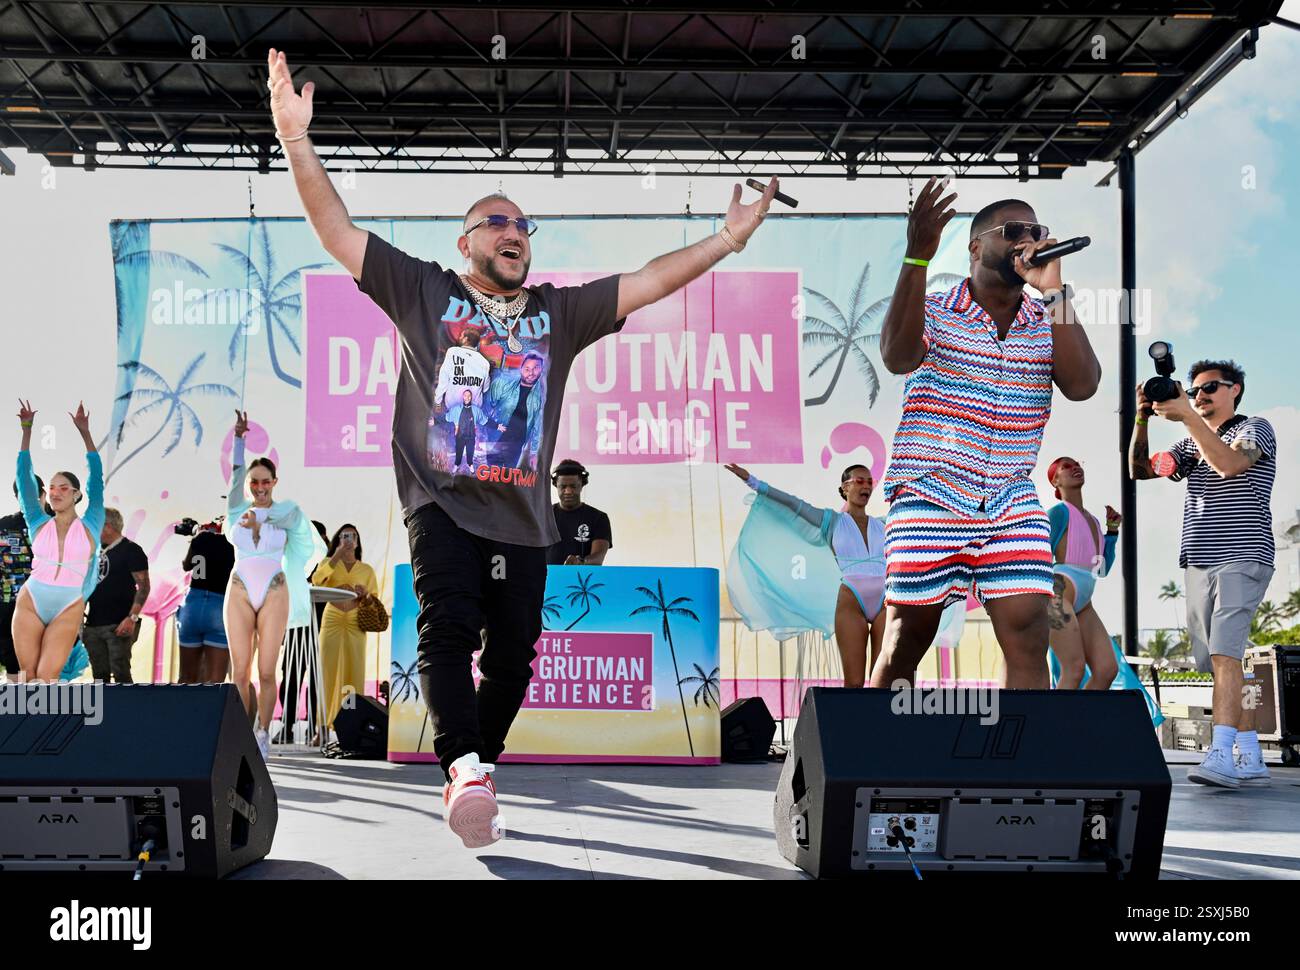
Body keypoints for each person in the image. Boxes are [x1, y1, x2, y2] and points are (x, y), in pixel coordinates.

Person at [268, 45, 778, 848]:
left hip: (524, 521)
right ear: (468, 241)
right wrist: (296, 139)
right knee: (444, 626)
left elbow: (648, 279)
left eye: (523, 224)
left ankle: (481, 763)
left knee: (513, 663)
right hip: (441, 503)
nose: (515, 232)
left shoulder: (559, 313)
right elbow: (337, 231)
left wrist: (727, 241)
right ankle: (463, 768)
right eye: (497, 222)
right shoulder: (424, 288)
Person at [873, 182, 1101, 690]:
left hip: (1010, 498)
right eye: (1013, 230)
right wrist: (916, 257)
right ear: (975, 247)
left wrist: (1055, 292)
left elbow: (1084, 385)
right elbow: (896, 357)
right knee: (909, 632)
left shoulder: (1047, 320)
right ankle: (876, 757)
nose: (1028, 239)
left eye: (1036, 231)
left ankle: (1024, 764)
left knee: (1028, 633)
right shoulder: (936, 307)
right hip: (930, 490)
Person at [1130, 360, 1276, 789]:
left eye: (1211, 387)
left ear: (1236, 390)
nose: (1201, 396)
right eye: (1195, 391)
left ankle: (1221, 753)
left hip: (1243, 553)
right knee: (1218, 659)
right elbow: (1140, 469)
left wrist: (1189, 417)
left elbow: (1230, 465)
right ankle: (1249, 752)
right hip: (1199, 560)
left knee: (1224, 653)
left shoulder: (1256, 428)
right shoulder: (1192, 442)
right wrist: (1142, 416)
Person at [725, 462, 887, 686]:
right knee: (854, 683)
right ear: (844, 488)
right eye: (859, 481)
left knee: (885, 681)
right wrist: (752, 482)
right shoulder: (832, 521)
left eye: (870, 482)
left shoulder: (884, 524)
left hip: (884, 601)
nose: (866, 486)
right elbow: (793, 503)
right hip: (852, 599)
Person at [224, 409, 323, 760]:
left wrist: (261, 519)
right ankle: (238, 734)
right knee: (239, 672)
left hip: (274, 589)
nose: (260, 487)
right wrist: (238, 440)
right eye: (255, 482)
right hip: (239, 588)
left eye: (265, 481)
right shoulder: (237, 510)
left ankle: (263, 732)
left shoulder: (288, 512)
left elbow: (302, 539)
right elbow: (235, 478)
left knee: (267, 671)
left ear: (274, 482)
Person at [11, 401, 104, 682]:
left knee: (47, 676)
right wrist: (26, 431)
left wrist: (85, 434)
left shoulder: (92, 522)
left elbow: (96, 480)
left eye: (64, 488)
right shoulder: (38, 522)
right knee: (27, 677)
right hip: (32, 599)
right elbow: (24, 480)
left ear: (76, 494)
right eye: (51, 488)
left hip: (68, 603)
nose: (56, 492)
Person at [1043, 457, 1120, 690]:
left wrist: (1112, 532)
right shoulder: (1058, 512)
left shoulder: (1095, 521)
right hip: (1058, 596)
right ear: (1056, 481)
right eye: (1066, 466)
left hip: (1084, 602)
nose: (1075, 467)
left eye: (1077, 464)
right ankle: (1056, 726)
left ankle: (1080, 724)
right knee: (1073, 670)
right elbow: (1039, 554)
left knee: (1107, 670)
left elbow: (1102, 570)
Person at [312, 523, 379, 732]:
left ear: (358, 541)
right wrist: (337, 555)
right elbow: (317, 579)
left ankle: (350, 725)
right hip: (332, 619)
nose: (348, 540)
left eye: (352, 536)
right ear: (337, 539)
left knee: (354, 673)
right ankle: (322, 726)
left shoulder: (366, 569)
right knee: (327, 673)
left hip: (355, 622)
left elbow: (374, 597)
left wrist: (365, 594)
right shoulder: (328, 562)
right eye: (344, 536)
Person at [81, 507, 150, 684]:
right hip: (93, 625)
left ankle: (127, 711)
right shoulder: (94, 552)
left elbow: (143, 587)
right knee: (99, 676)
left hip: (118, 624)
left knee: (121, 674)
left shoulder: (131, 550)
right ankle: (102, 711)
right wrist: (78, 620)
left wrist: (131, 618)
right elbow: (84, 586)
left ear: (108, 526)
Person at [177, 518, 235, 684]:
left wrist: (198, 533)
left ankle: (180, 710)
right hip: (219, 606)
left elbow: (186, 565)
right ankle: (207, 711)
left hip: (193, 603)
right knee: (214, 681)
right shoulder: (239, 547)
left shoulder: (202, 538)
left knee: (186, 677)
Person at [1, 475, 43, 682]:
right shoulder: (4, 525)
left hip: (45, 605)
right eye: (22, 494)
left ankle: (45, 708)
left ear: (43, 494)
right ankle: (17, 711)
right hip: (8, 603)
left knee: (44, 660)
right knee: (12, 658)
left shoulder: (56, 524)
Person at [548, 459, 612, 566]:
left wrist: (581, 562)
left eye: (573, 486)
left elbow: (598, 557)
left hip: (582, 580)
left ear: (582, 485)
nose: (568, 491)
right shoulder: (543, 516)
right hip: (546, 580)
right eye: (563, 487)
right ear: (556, 485)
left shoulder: (599, 518)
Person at [447, 388, 491, 476]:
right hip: (460, 436)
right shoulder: (456, 409)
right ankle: (456, 464)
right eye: (465, 395)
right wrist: (435, 421)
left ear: (471, 397)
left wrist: (497, 426)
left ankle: (470, 464)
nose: (467, 397)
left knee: (470, 452)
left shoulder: (476, 410)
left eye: (469, 396)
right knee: (459, 452)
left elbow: (485, 421)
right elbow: (446, 418)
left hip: (471, 437)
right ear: (463, 396)